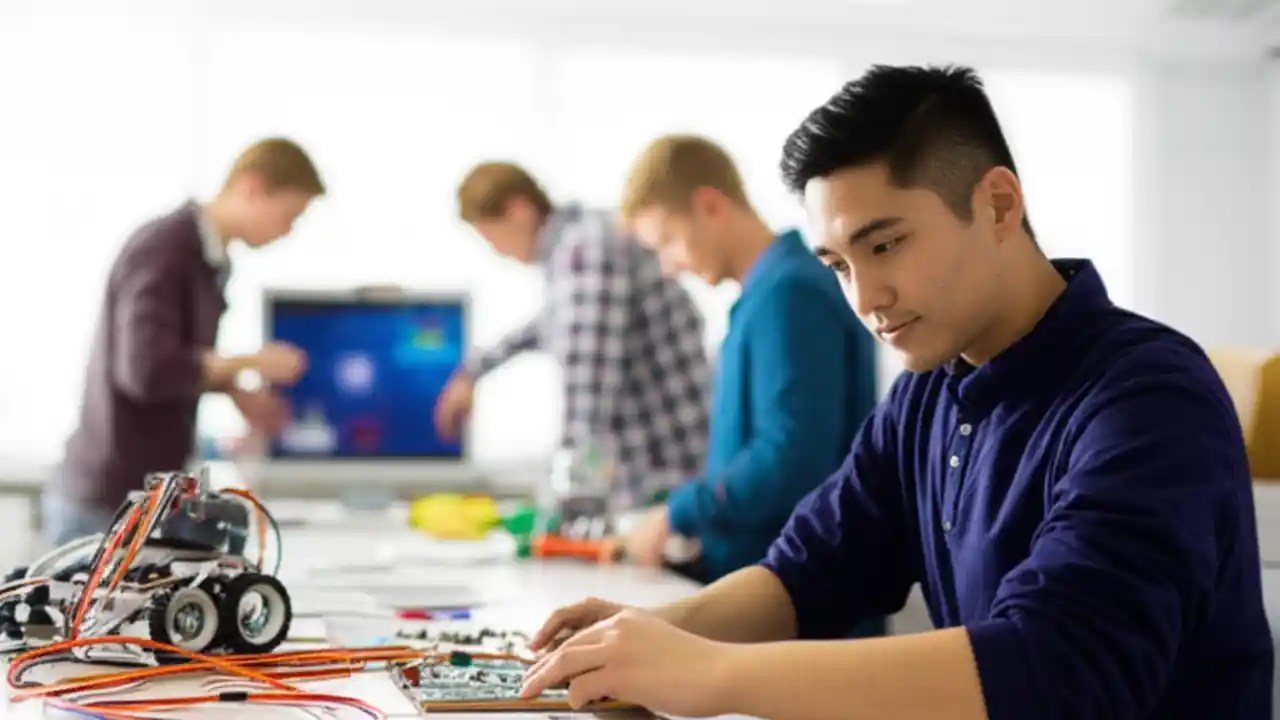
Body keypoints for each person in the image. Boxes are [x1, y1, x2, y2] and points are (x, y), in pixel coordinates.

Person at [518, 65, 1273, 719]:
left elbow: (1052, 669)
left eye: (884, 245)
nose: (866, 296)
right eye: (839, 264)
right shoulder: (928, 396)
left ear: (1000, 205)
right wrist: (652, 632)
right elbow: (808, 574)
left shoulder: (1148, 395)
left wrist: (705, 673)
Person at [616, 134, 877, 595]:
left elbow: (789, 461)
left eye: (669, 241)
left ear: (710, 206)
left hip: (799, 608)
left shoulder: (789, 296)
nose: (669, 266)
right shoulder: (763, 298)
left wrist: (676, 513)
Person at [48, 138, 324, 546]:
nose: (287, 231)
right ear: (251, 188)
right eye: (289, 215)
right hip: (106, 501)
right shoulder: (166, 248)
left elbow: (177, 361)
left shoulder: (205, 257)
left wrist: (234, 391)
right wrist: (249, 362)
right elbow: (145, 370)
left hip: (140, 497)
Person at [437, 162, 711, 507]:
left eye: (493, 239)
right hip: (667, 465)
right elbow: (547, 325)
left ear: (518, 211)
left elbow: (588, 388)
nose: (499, 253)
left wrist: (563, 498)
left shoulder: (585, 250)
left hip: (668, 471)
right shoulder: (579, 242)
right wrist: (473, 371)